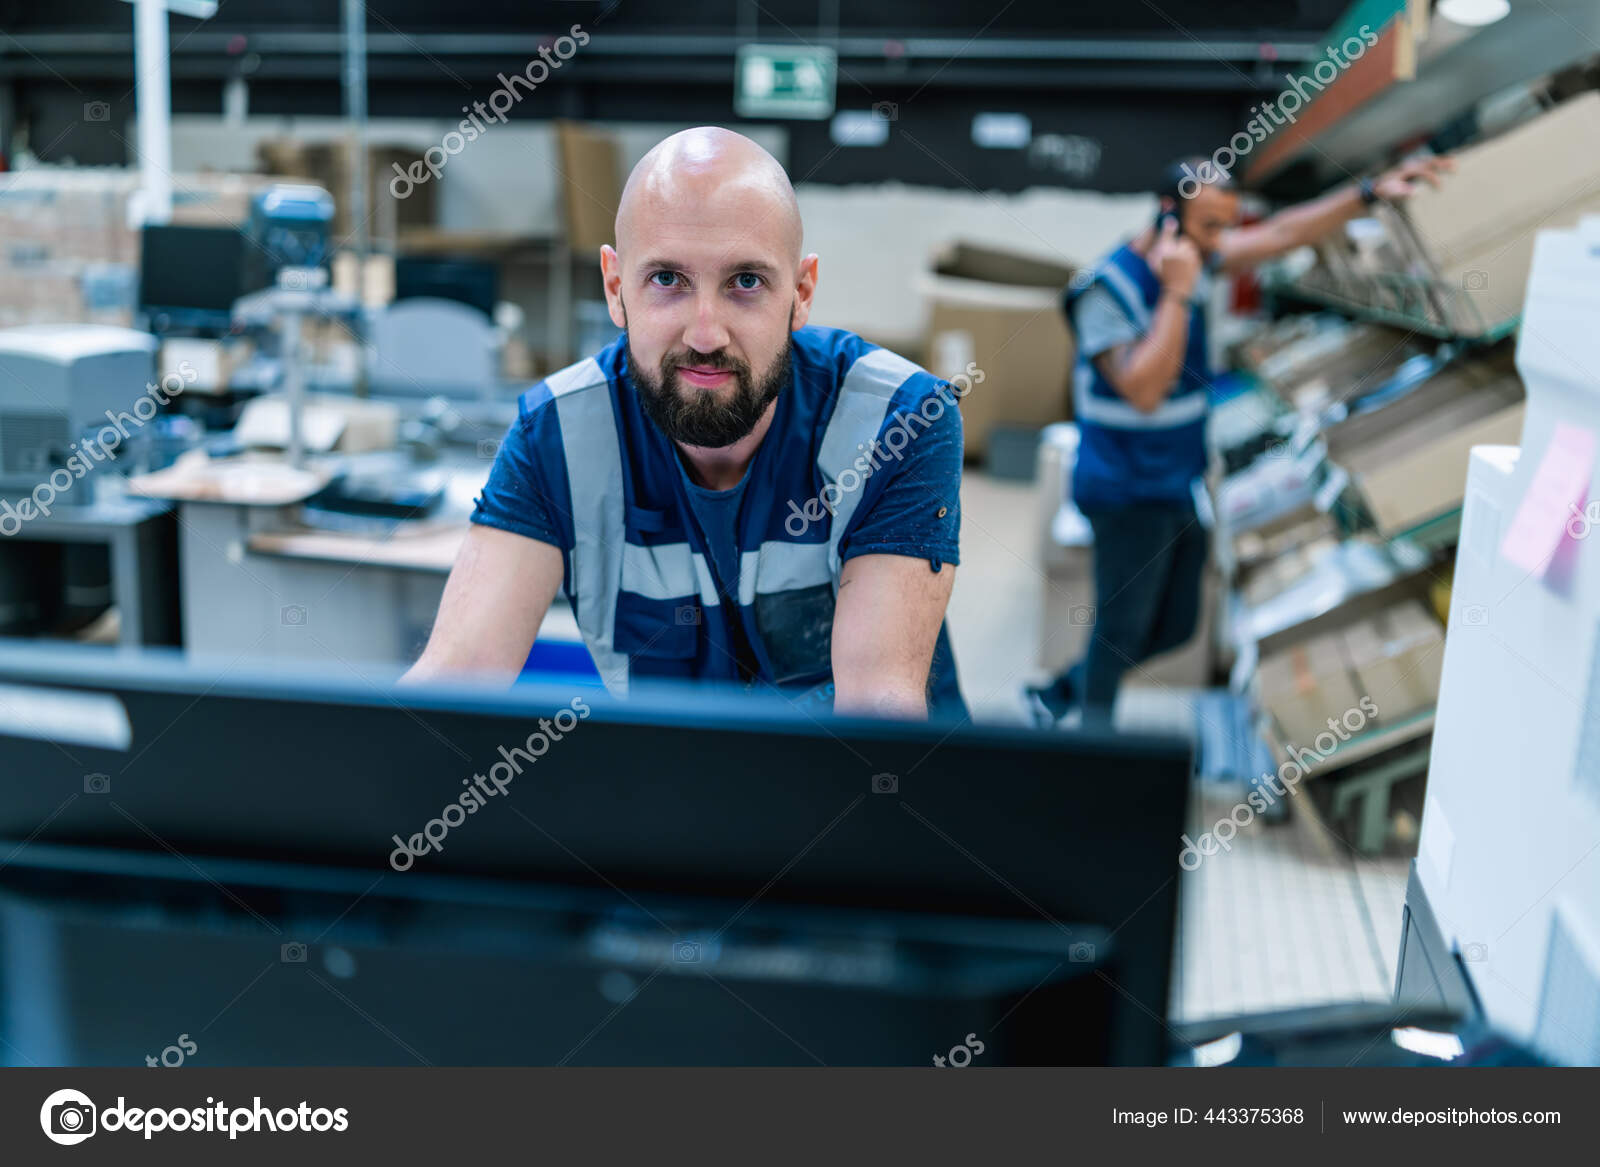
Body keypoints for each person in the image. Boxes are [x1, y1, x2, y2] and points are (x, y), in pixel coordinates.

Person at [404, 127, 965, 719]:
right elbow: (455, 683)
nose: (704, 335)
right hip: (679, 798)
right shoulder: (559, 437)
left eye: (745, 282)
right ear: (616, 288)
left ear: (801, 293)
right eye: (667, 280)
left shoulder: (896, 423)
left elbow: (877, 713)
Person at [1027, 153, 1452, 726]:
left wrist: (1370, 193)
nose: (1222, 241)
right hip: (1125, 490)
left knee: (1176, 625)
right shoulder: (1105, 290)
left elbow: (1280, 233)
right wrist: (1176, 294)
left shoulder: (1199, 256)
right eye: (1210, 227)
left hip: (1176, 482)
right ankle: (1091, 742)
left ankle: (1061, 694)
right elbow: (1143, 390)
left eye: (1227, 225)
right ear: (1166, 213)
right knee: (1120, 627)